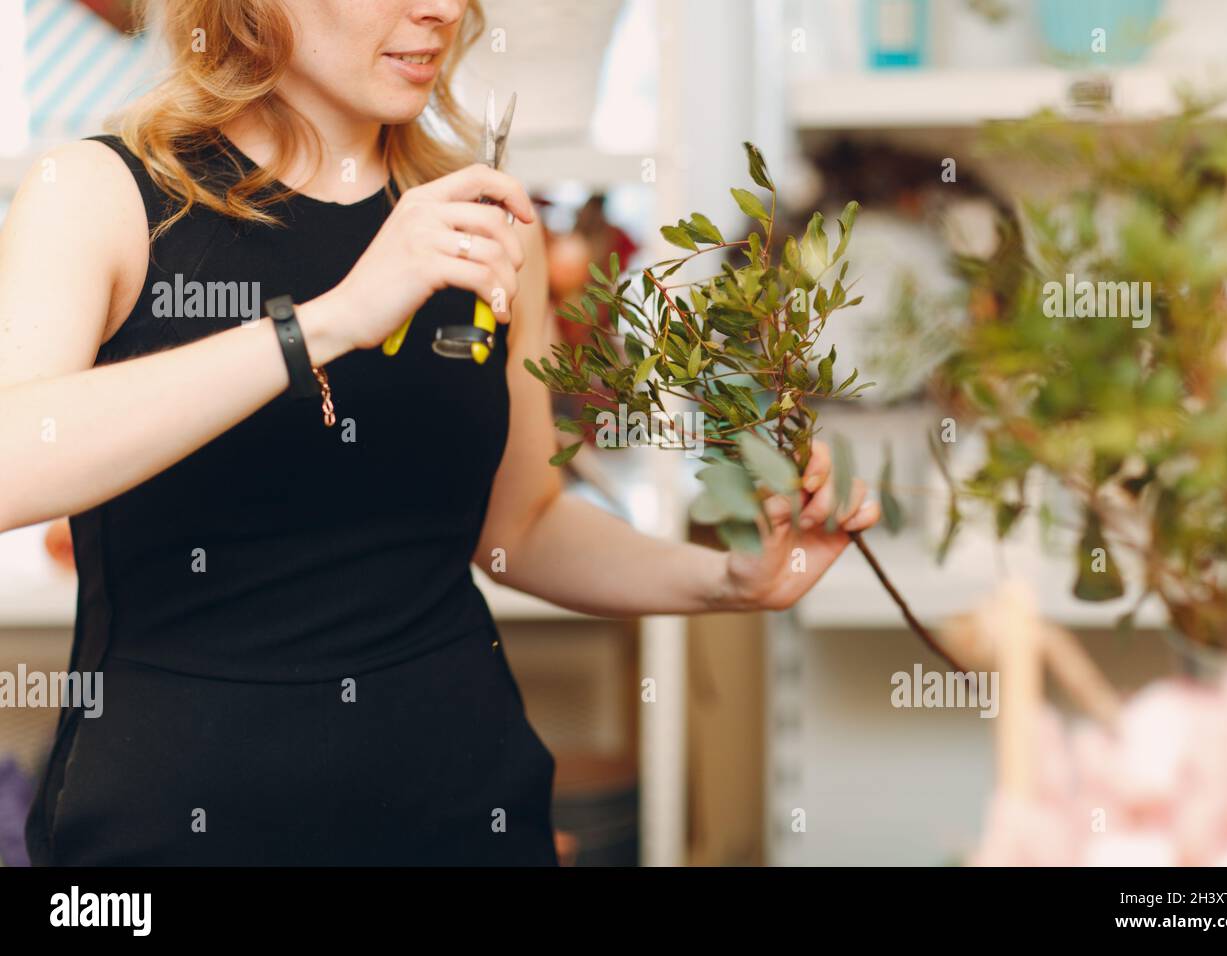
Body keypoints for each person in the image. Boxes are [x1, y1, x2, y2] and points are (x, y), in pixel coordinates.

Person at [0, 0, 880, 865]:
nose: (441, 11)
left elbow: (521, 528)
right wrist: (329, 322)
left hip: (461, 807)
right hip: (173, 823)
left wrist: (728, 577)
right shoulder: (101, 195)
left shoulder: (484, 227)